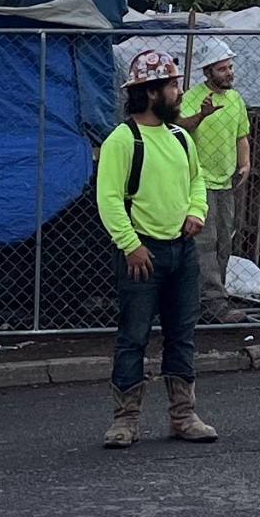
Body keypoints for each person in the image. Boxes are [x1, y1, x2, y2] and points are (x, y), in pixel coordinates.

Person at [95, 49, 219, 449]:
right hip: (141, 256)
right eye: (172, 85)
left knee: (181, 335)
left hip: (181, 252)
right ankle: (125, 421)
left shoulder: (181, 138)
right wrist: (131, 246)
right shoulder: (123, 140)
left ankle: (184, 416)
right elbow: (109, 199)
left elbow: (197, 183)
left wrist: (196, 212)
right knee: (133, 337)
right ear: (150, 93)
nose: (179, 92)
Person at [177, 41, 252, 323]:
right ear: (208, 71)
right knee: (204, 242)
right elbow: (178, 129)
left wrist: (245, 162)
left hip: (225, 181)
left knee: (224, 240)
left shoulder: (235, 99)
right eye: (222, 69)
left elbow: (241, 135)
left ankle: (211, 295)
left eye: (230, 67)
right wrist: (201, 115)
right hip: (200, 180)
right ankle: (212, 301)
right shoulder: (192, 97)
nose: (229, 73)